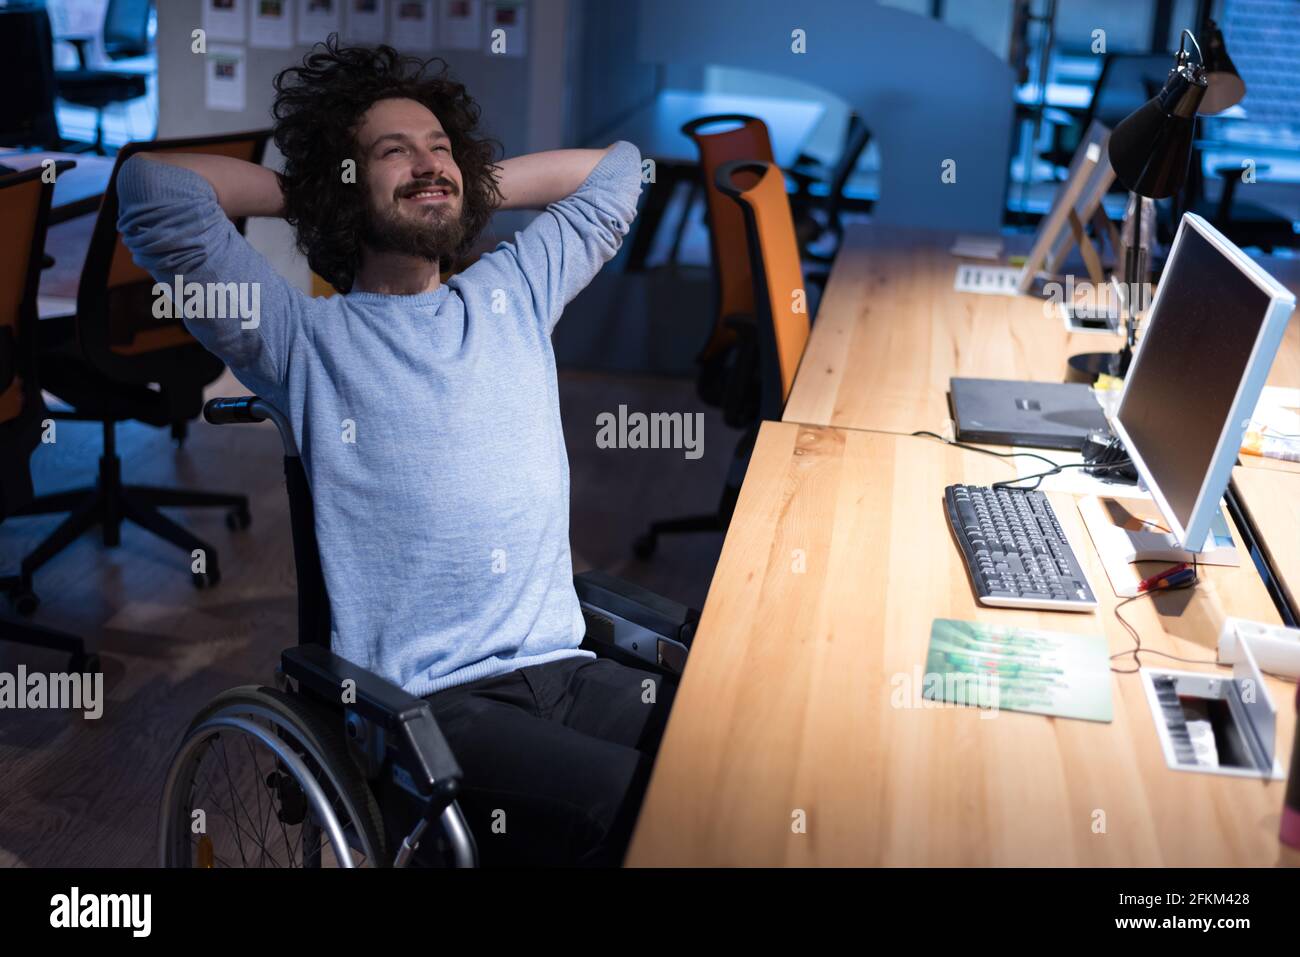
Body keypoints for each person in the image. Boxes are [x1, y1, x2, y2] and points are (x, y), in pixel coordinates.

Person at [117, 36, 674, 866]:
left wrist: (463, 184)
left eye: (440, 148)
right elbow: (149, 188)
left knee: (734, 760)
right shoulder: (299, 339)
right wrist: (310, 192)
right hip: (435, 708)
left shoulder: (514, 290)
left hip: (569, 662)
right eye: (393, 152)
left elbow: (619, 171)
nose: (427, 164)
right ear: (346, 186)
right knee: (659, 818)